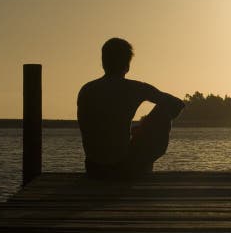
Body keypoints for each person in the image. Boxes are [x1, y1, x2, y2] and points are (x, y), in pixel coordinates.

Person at [77, 38, 185, 181]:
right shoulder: (136, 88)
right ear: (127, 65)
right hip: (123, 167)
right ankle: (144, 169)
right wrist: (144, 125)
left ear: (103, 62)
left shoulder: (86, 90)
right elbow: (176, 104)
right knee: (163, 111)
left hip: (93, 168)